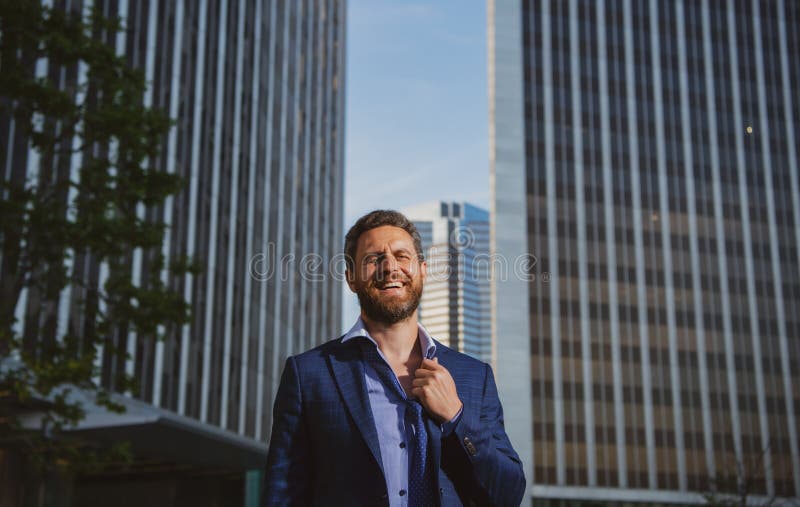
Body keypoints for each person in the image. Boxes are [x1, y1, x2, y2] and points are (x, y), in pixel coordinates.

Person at [263, 210, 525, 506]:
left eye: (402, 256)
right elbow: (282, 495)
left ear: (423, 270)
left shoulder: (476, 378)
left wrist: (456, 417)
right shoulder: (308, 374)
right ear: (351, 277)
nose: (390, 267)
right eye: (373, 259)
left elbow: (508, 494)